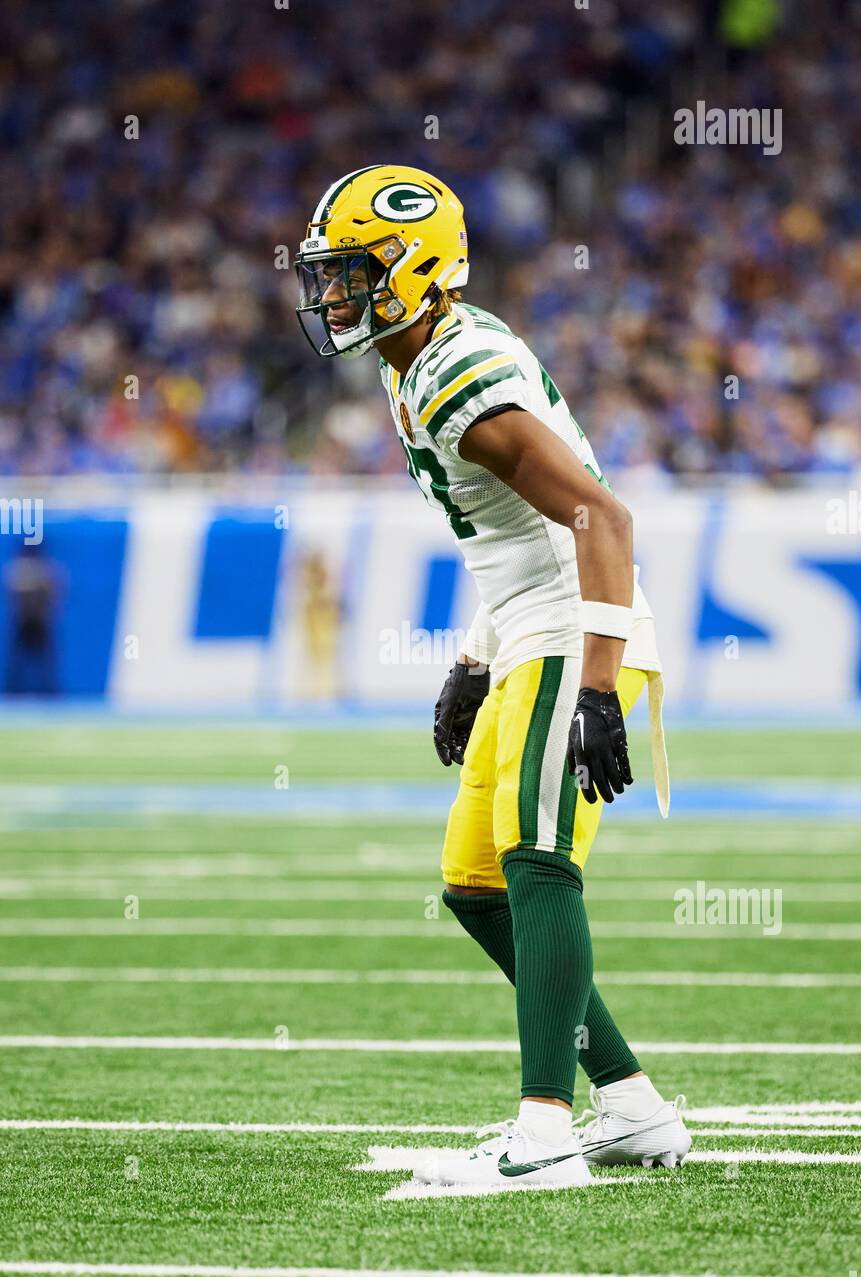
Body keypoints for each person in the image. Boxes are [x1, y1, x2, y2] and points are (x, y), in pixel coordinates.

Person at [295, 165, 690, 1188]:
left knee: (538, 860)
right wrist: (473, 658)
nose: (333, 298)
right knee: (474, 885)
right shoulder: (411, 357)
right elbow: (504, 538)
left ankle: (546, 1127)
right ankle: (632, 1104)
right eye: (328, 278)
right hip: (526, 629)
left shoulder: (459, 377)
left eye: (351, 277)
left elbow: (601, 518)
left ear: (414, 270)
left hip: (577, 628)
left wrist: (598, 684)